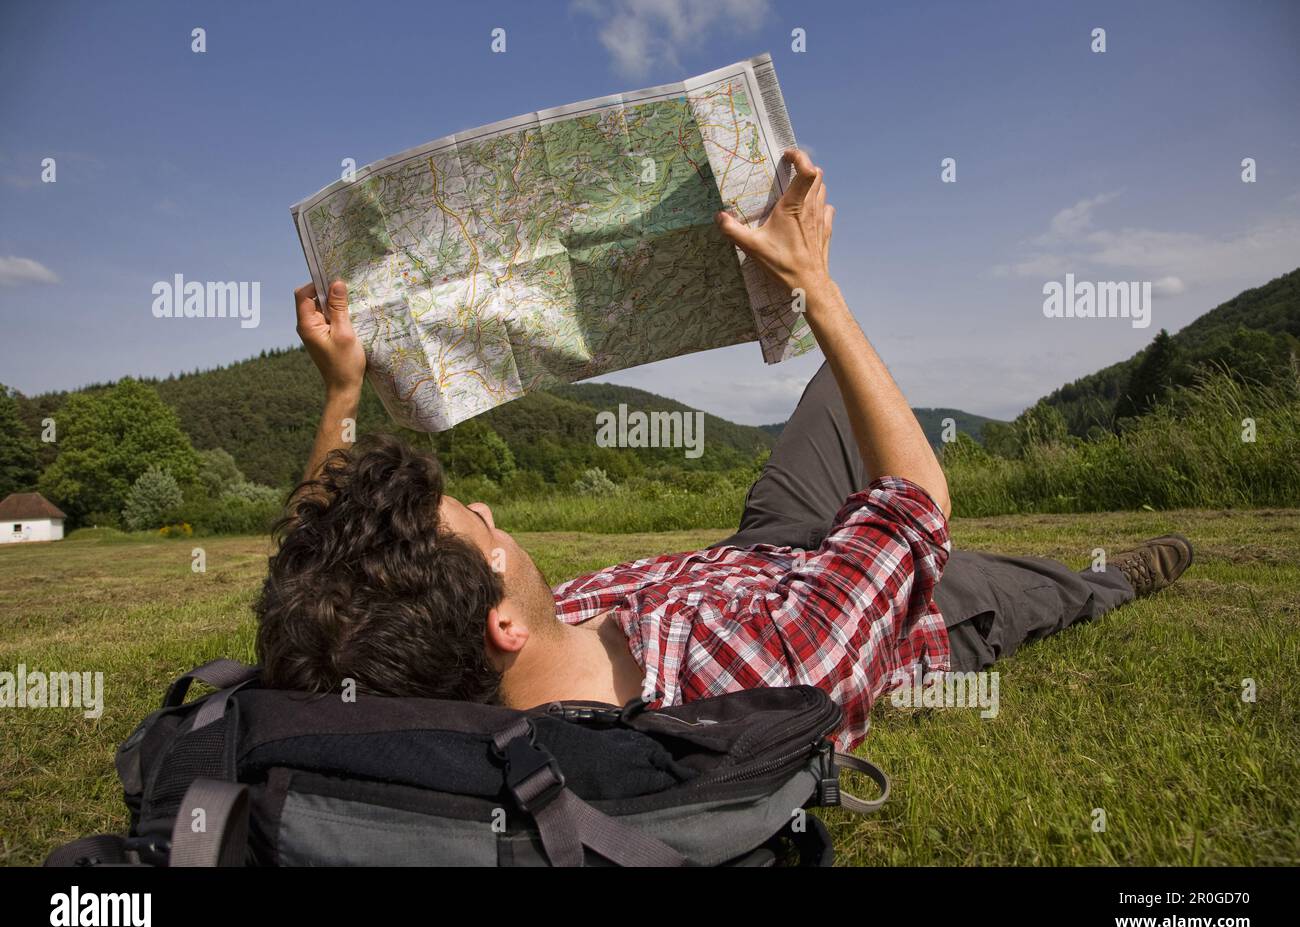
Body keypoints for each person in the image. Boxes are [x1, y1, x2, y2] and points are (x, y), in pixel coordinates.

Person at [256, 149, 1192, 750]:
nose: (496, 515)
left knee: (845, 387)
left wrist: (344, 388)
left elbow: (315, 586)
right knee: (1035, 587)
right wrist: (815, 286)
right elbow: (916, 501)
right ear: (500, 623)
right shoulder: (761, 673)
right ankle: (1120, 580)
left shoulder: (490, 645)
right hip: (898, 615)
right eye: (484, 530)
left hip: (763, 549)